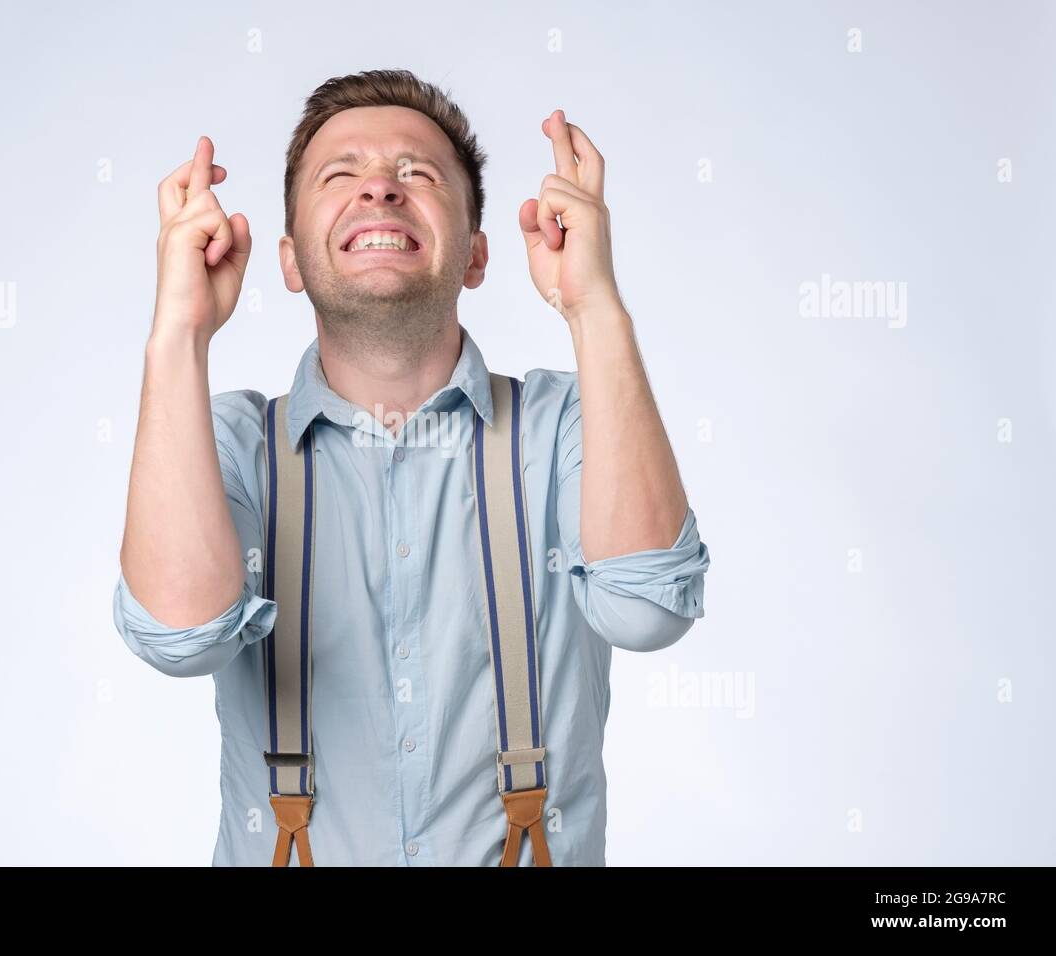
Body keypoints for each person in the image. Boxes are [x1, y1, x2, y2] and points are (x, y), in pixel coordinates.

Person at [112, 69, 711, 866]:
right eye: (341, 175)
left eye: (416, 174)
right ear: (288, 262)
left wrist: (591, 305)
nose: (380, 192)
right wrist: (178, 332)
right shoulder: (233, 443)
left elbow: (648, 612)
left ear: (475, 255)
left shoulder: (566, 423)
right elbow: (179, 639)